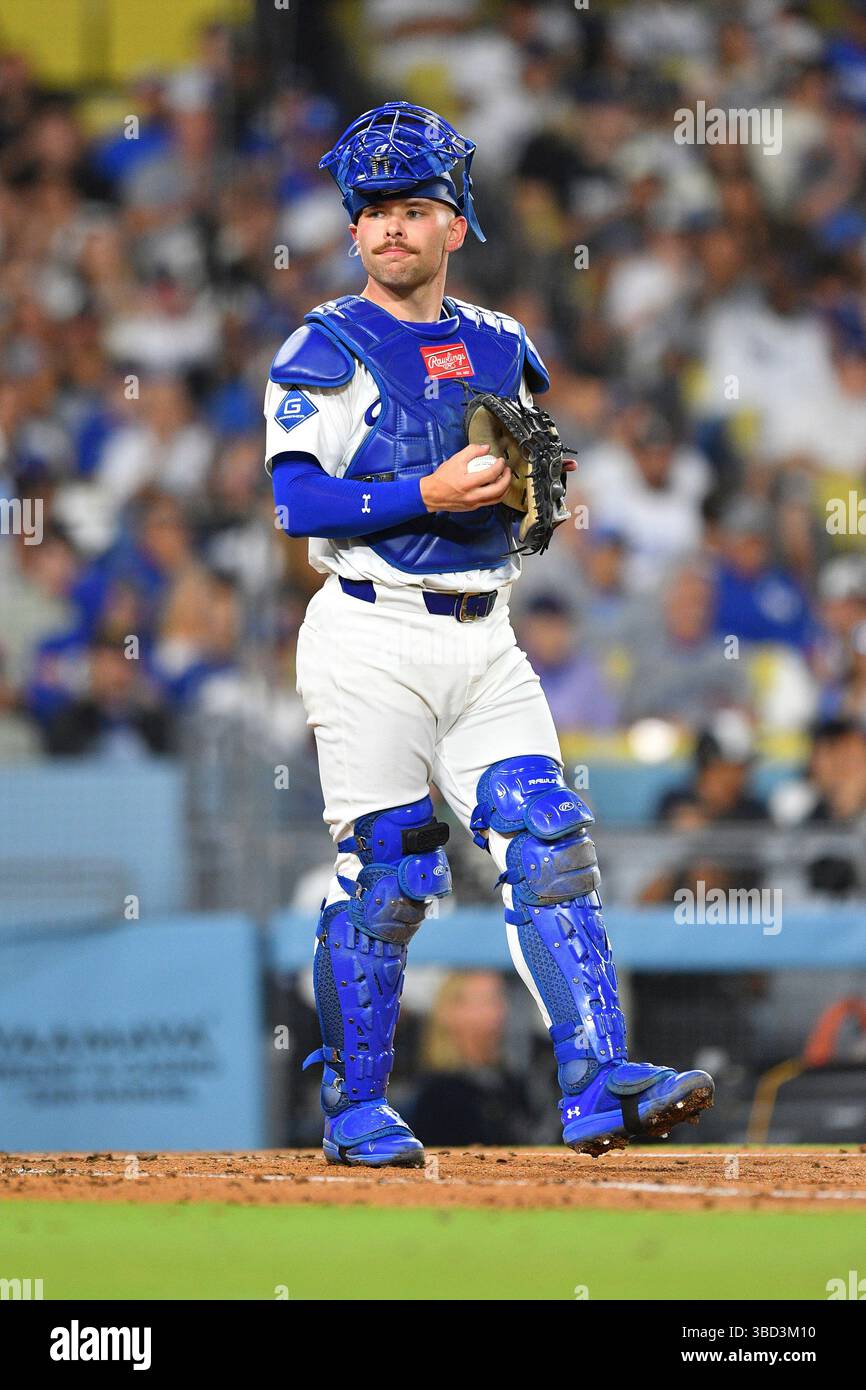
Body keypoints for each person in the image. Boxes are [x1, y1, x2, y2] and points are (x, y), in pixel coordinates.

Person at [264, 101, 713, 1167]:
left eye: (412, 207)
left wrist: (529, 499)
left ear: (454, 224)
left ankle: (597, 1078)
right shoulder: (322, 344)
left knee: (547, 842)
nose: (388, 228)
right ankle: (355, 1108)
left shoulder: (501, 343)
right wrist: (426, 485)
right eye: (371, 210)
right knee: (389, 873)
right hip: (369, 632)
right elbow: (297, 501)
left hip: (483, 628)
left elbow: (532, 487)